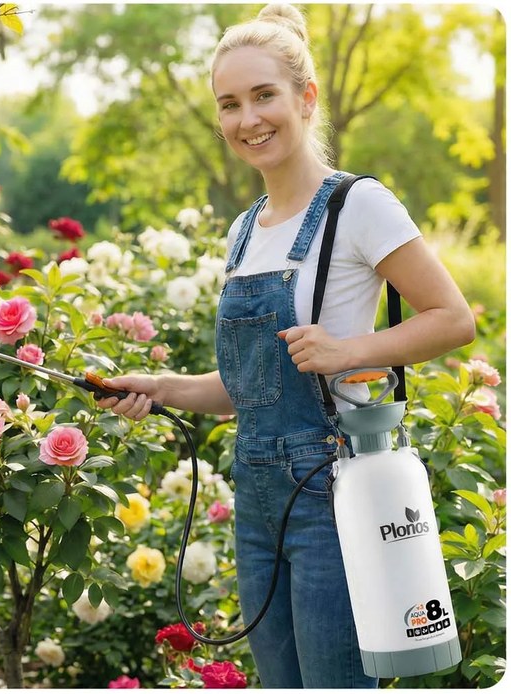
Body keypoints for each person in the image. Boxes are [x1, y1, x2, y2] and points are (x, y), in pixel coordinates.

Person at [95, 4, 475, 689]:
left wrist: (347, 350)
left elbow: (453, 318)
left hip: (335, 492)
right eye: (230, 104)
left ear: (306, 96)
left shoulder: (358, 206)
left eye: (264, 95)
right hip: (258, 499)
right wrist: (158, 388)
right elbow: (249, 389)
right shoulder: (245, 231)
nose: (248, 119)